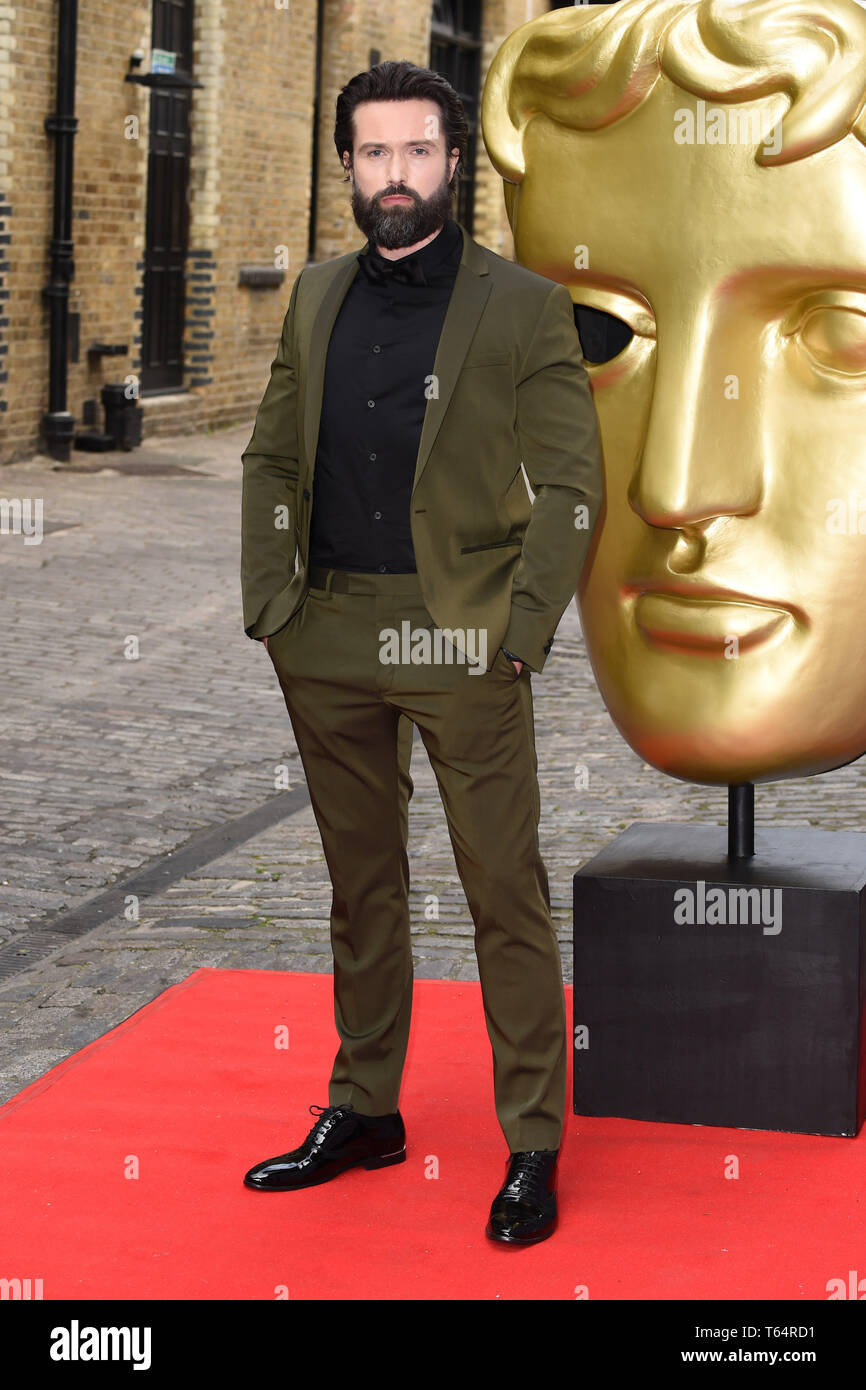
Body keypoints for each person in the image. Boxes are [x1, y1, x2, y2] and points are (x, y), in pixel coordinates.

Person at [239, 59, 602, 1245]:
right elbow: (269, 457)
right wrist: (271, 605)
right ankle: (364, 1107)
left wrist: (517, 633)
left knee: (504, 889)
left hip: (462, 638)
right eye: (371, 153)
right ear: (346, 164)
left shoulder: (521, 306)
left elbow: (572, 488)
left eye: (415, 152)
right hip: (326, 630)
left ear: (453, 163)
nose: (393, 175)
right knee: (361, 885)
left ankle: (532, 1143)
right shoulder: (313, 294)